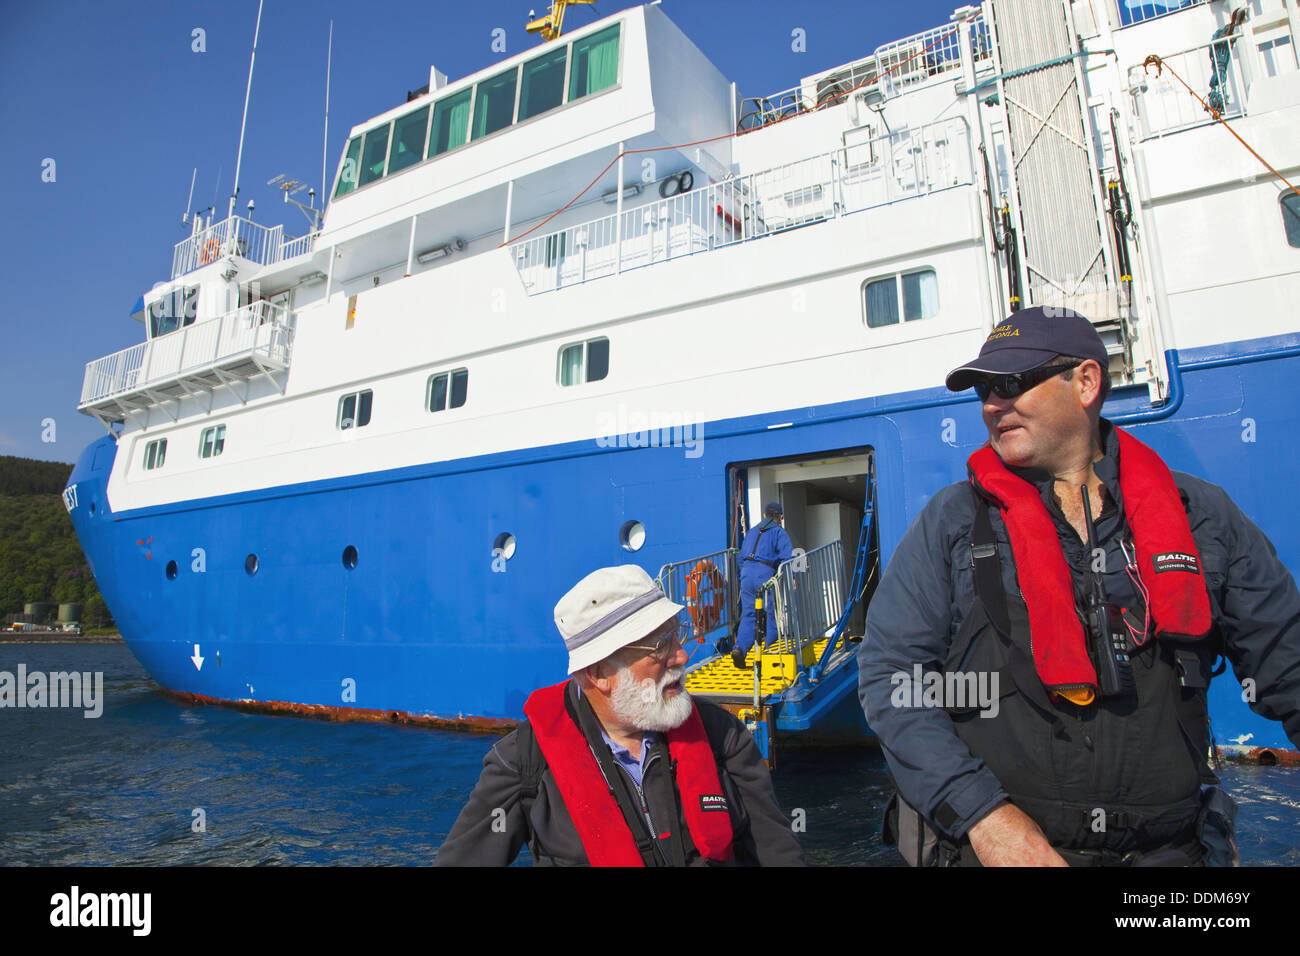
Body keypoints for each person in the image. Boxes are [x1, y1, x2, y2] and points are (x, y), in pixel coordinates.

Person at [858, 306, 1300, 867]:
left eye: (1012, 383)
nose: (994, 403)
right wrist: (984, 817)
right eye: (984, 391)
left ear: (1086, 382)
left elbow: (1288, 666)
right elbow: (893, 682)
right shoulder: (951, 524)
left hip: (1173, 856)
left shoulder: (1201, 518)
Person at [435, 564, 805, 866]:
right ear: (599, 674)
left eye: (678, 637)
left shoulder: (723, 736)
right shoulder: (524, 763)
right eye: (661, 646)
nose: (682, 656)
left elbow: (778, 854)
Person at [732, 503, 794, 668]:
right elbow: (787, 557)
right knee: (771, 611)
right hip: (764, 573)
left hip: (746, 573)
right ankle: (769, 651)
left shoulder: (752, 532)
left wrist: (742, 576)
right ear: (780, 517)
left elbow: (740, 558)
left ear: (765, 515)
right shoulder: (779, 532)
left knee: (750, 614)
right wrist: (790, 577)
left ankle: (740, 648)